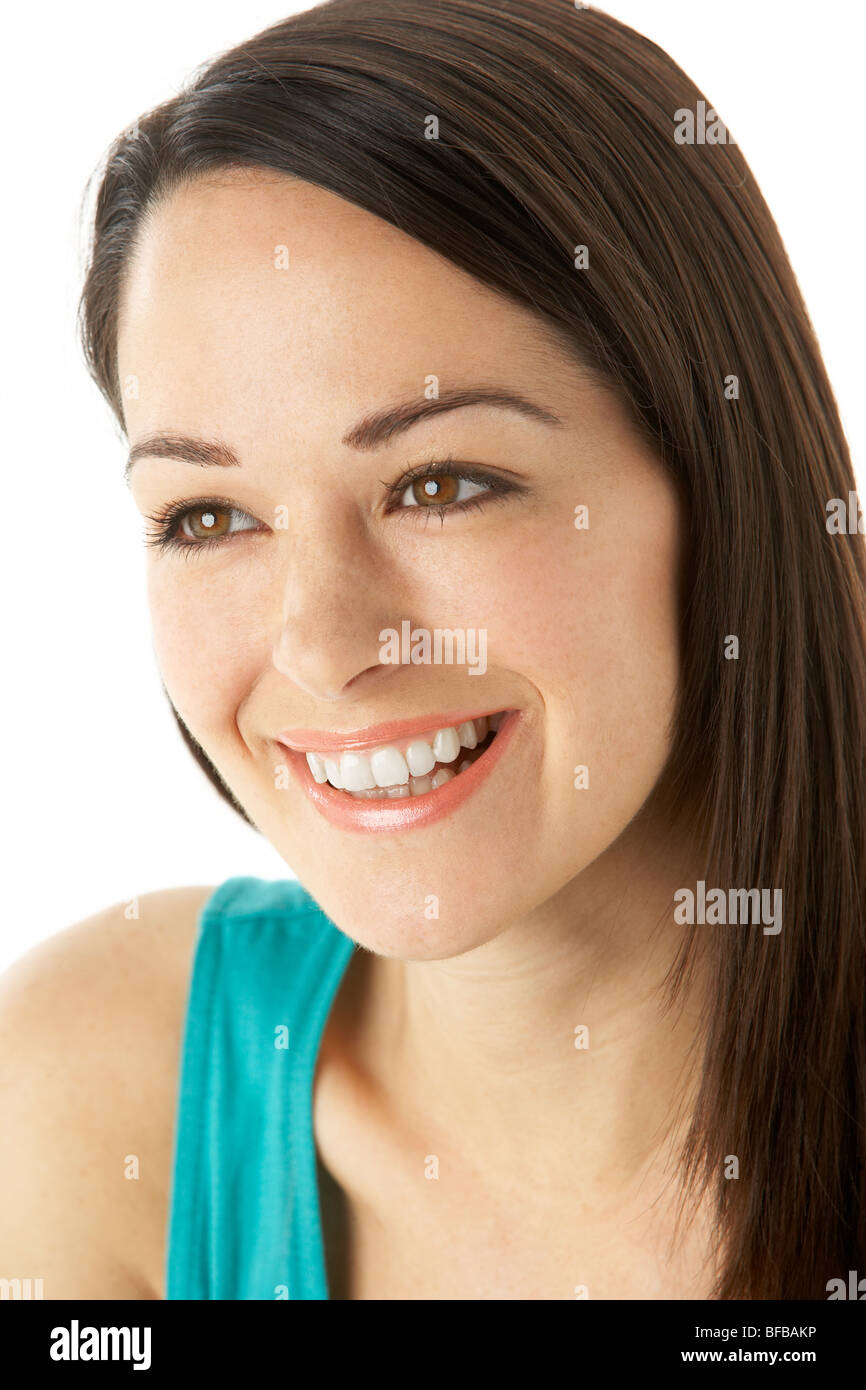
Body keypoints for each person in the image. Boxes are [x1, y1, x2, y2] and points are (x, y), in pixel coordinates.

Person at [2, 0, 864, 1300]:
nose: (323, 643)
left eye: (442, 482)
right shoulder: (96, 1085)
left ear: (717, 487)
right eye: (208, 515)